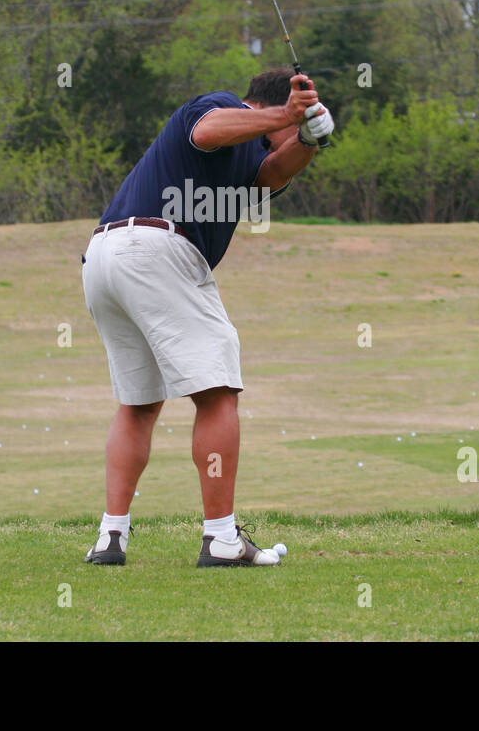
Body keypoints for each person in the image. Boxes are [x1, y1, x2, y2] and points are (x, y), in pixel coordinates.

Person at [81, 67, 333, 567]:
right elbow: (206, 130)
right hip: (156, 248)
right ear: (267, 106)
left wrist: (306, 140)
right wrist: (287, 115)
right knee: (217, 392)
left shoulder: (250, 157)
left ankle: (111, 539)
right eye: (288, 119)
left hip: (105, 257)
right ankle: (221, 539)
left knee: (139, 403)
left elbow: (272, 175)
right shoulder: (223, 107)